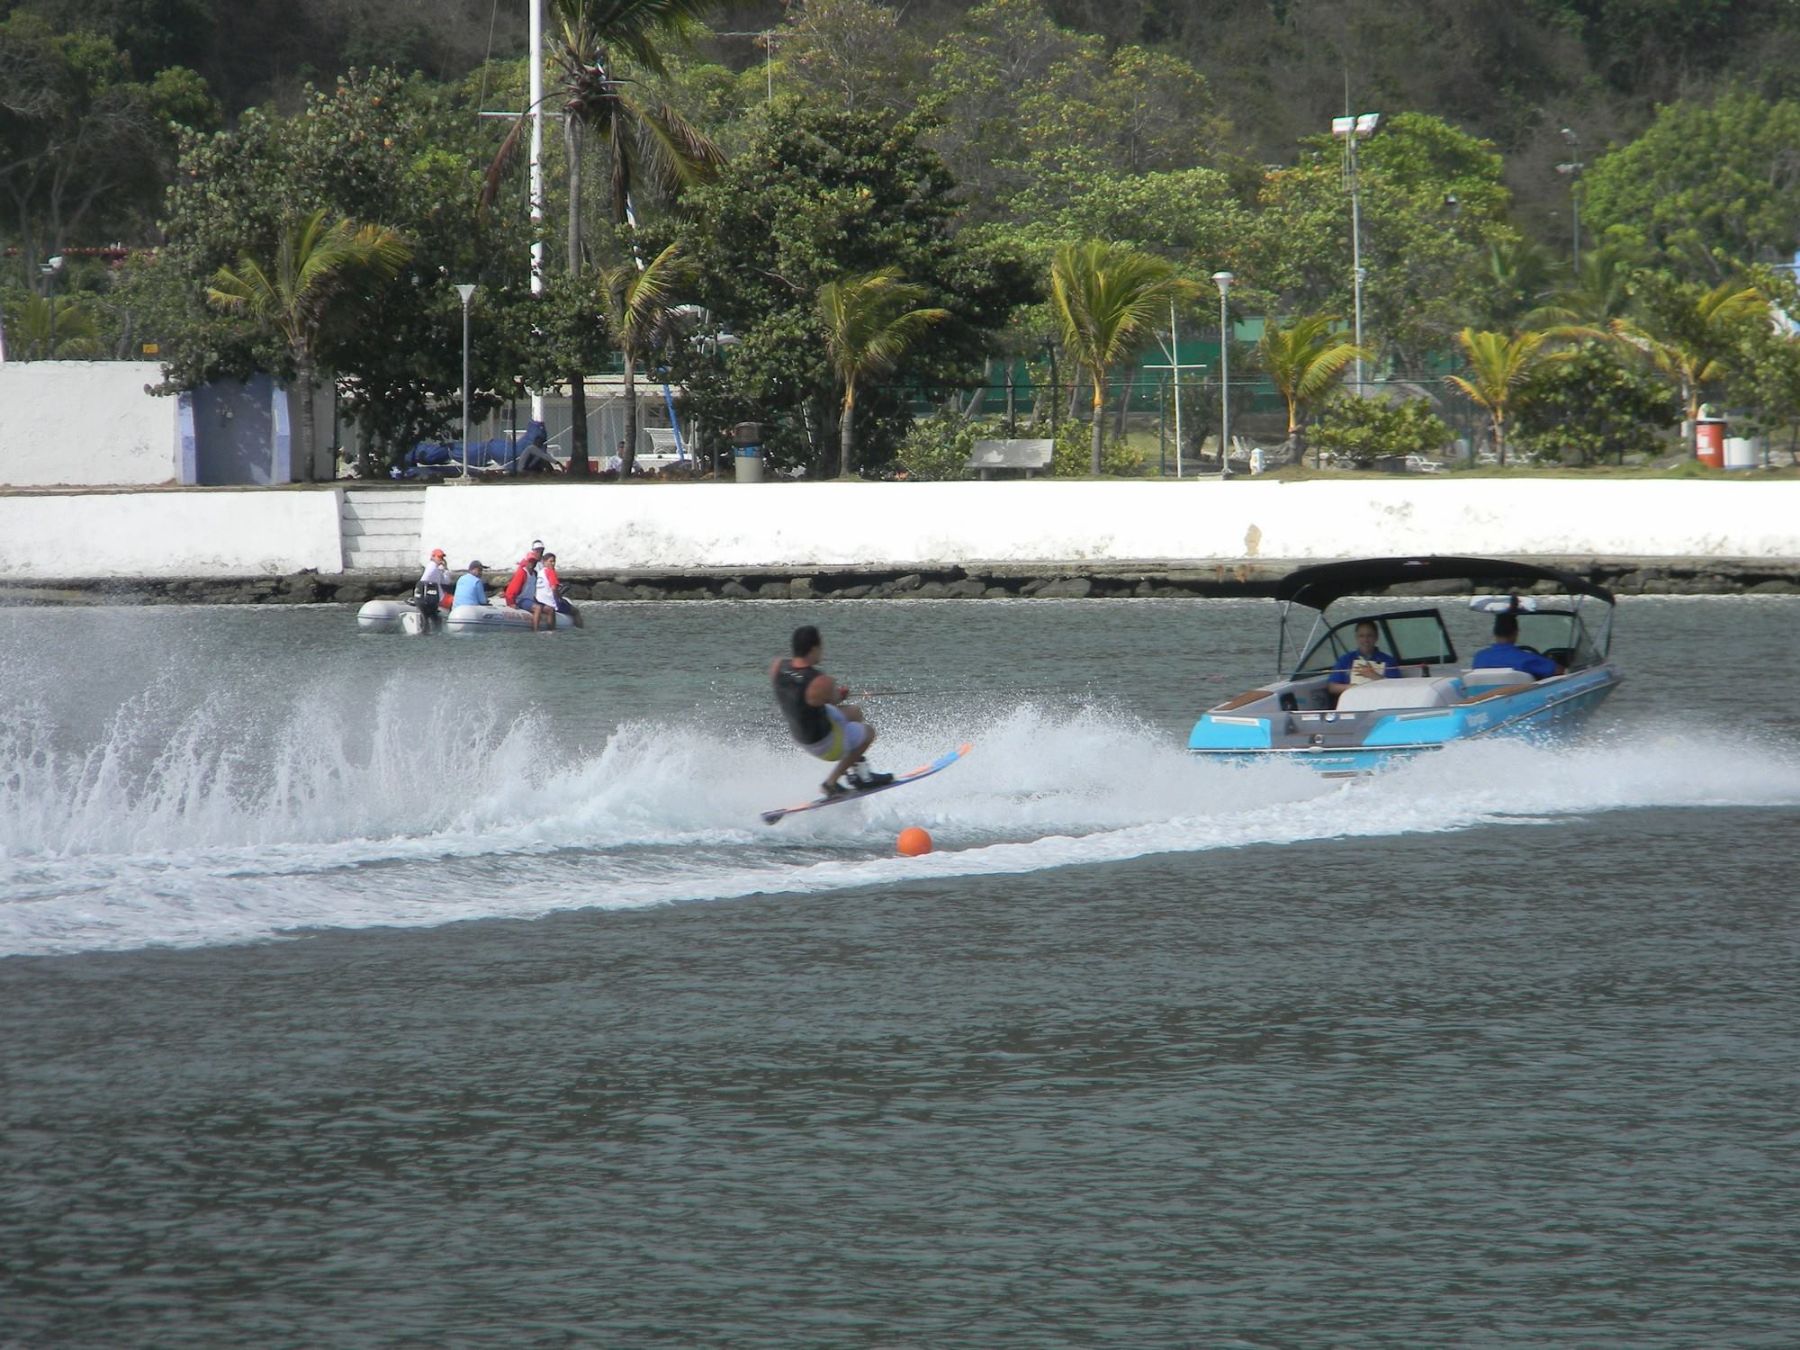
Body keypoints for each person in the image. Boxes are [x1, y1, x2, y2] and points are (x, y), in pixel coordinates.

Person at [770, 625, 893, 797]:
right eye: (821, 647)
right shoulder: (821, 681)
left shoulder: (778, 667)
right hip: (824, 744)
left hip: (799, 734)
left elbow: (803, 694)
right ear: (814, 648)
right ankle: (831, 783)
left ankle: (859, 771)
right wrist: (840, 693)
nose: (822, 651)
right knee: (869, 733)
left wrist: (833, 695)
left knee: (855, 712)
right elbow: (834, 698)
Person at [1472, 603, 1563, 679]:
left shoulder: (1479, 658)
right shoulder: (1526, 660)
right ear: (1515, 633)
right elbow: (1559, 671)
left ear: (1494, 633)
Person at [1327, 621, 1402, 700]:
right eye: (1361, 636)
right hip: (1352, 701)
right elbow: (1332, 687)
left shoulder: (1388, 661)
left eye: (1369, 636)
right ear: (1356, 637)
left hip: (1380, 701)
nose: (1365, 640)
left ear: (1376, 637)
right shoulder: (1345, 660)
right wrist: (1353, 687)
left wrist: (1374, 675)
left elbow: (1397, 687)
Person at [413, 548, 451, 630]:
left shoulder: (437, 568)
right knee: (454, 601)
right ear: (433, 557)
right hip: (438, 597)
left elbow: (446, 581)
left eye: (442, 557)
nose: (441, 559)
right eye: (439, 557)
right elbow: (424, 580)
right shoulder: (432, 567)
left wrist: (445, 569)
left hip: (436, 595)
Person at [504, 541, 543, 610]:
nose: (532, 563)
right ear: (526, 561)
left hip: (531, 599)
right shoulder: (522, 572)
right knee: (538, 608)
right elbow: (512, 589)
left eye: (534, 561)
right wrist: (511, 603)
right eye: (530, 561)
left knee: (549, 609)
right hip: (521, 600)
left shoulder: (535, 573)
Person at [531, 550, 561, 633]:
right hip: (548, 602)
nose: (553, 563)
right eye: (550, 561)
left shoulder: (540, 572)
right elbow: (554, 588)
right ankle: (552, 630)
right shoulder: (551, 572)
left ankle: (535, 630)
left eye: (554, 561)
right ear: (544, 562)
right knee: (574, 611)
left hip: (538, 600)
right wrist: (559, 598)